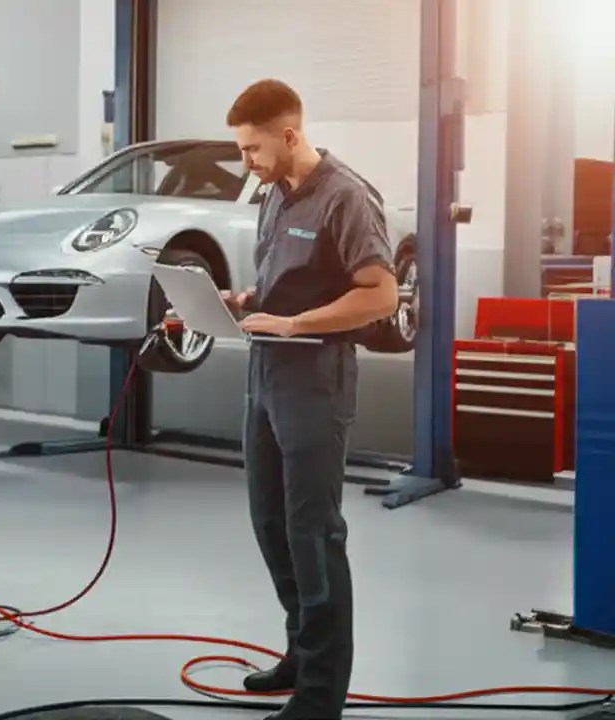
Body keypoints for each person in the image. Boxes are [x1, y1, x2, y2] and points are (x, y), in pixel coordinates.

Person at [221, 79, 400, 720]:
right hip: (265, 377)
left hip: (315, 380)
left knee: (314, 533)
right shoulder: (273, 195)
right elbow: (284, 284)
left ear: (290, 135)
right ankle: (301, 652)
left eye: (251, 149)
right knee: (271, 522)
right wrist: (242, 301)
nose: (246, 162)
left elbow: (381, 296)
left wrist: (297, 325)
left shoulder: (346, 198)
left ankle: (321, 695)